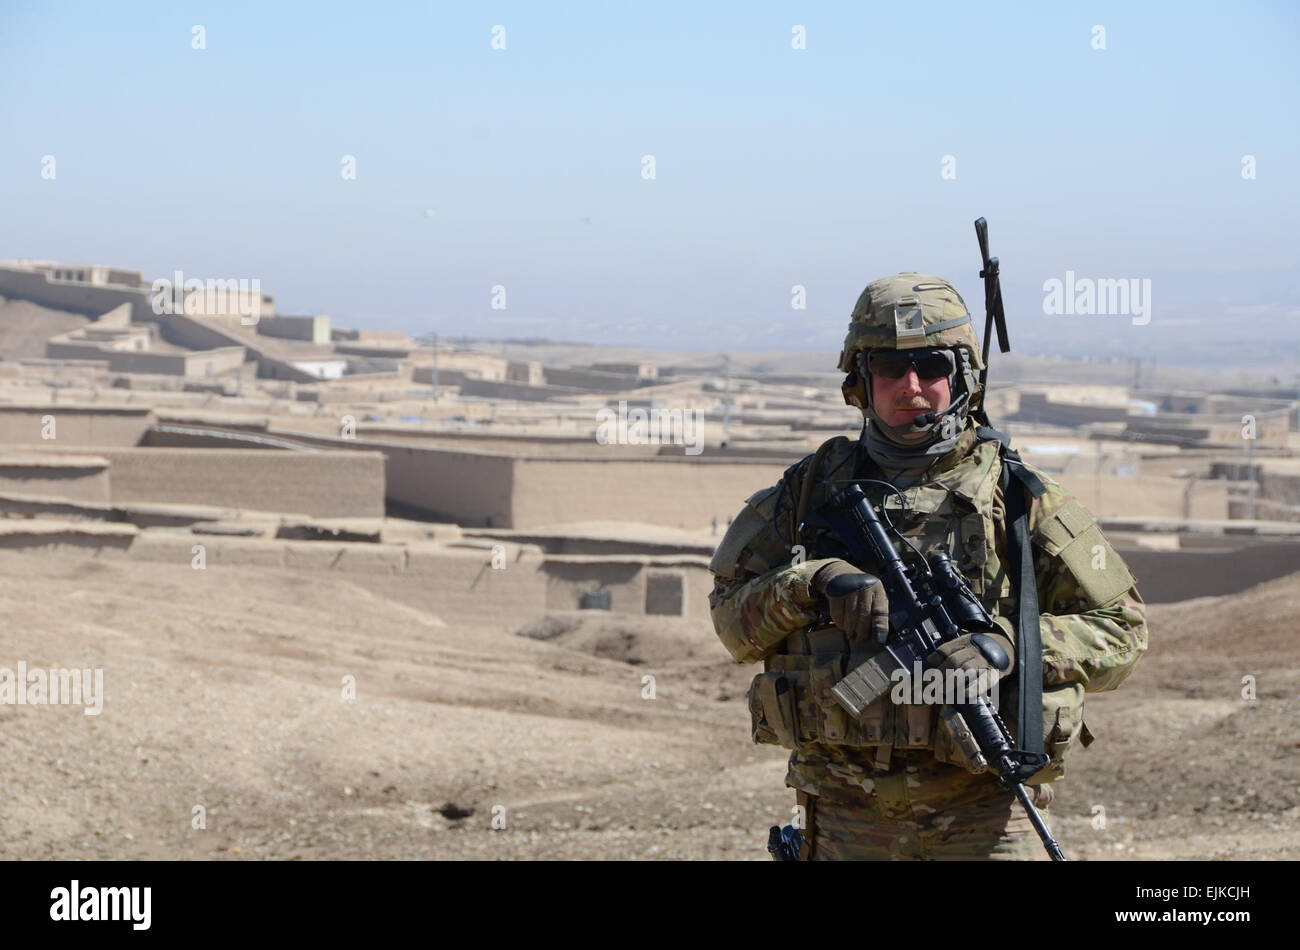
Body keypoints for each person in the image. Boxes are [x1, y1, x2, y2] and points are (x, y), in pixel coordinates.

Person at [709, 273, 1148, 860]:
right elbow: (731, 622)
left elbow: (1123, 629)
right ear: (861, 382)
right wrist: (810, 583)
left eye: (931, 366)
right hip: (844, 811)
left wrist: (1012, 643)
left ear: (963, 375)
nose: (911, 387)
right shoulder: (806, 495)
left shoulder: (1019, 500)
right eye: (890, 368)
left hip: (986, 808)